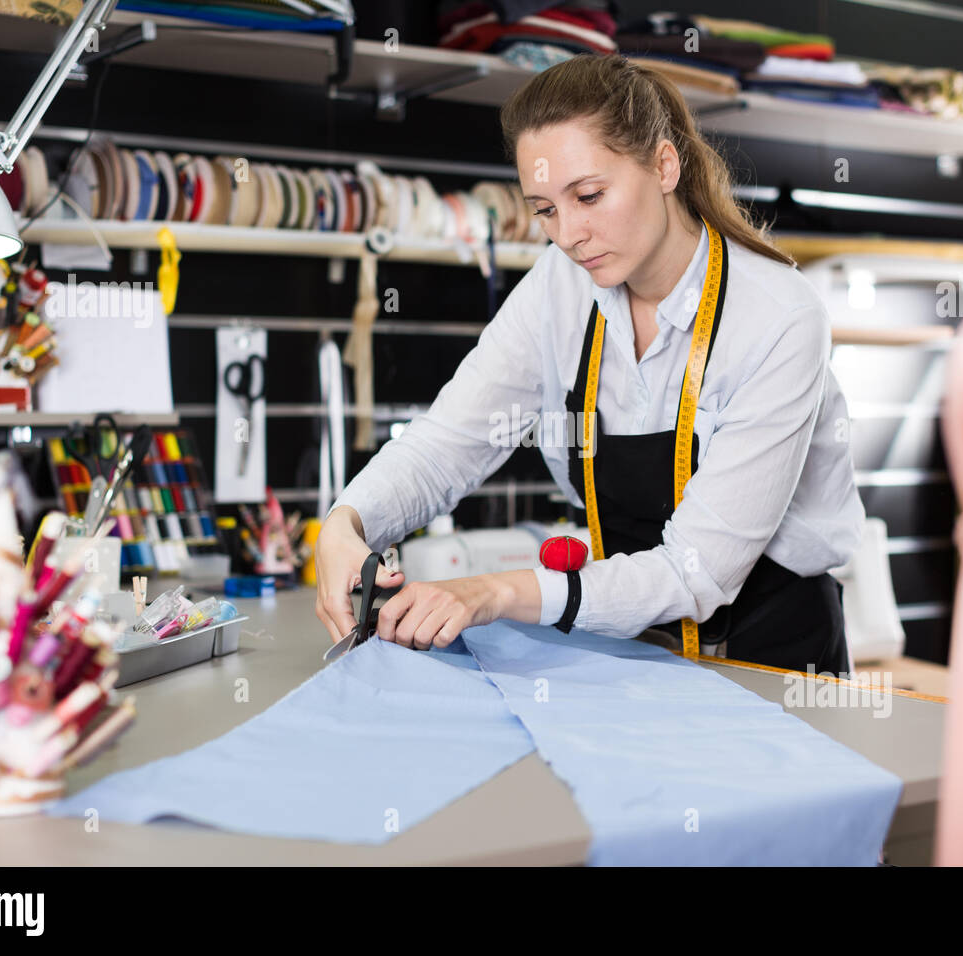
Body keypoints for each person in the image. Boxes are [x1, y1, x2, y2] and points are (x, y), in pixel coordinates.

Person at [315, 53, 863, 671]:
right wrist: (347, 520)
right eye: (545, 209)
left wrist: (495, 591)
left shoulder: (778, 317)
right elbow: (449, 443)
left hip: (771, 659)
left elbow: (696, 571)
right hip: (628, 650)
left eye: (590, 195)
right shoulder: (561, 286)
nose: (569, 234)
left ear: (663, 164)